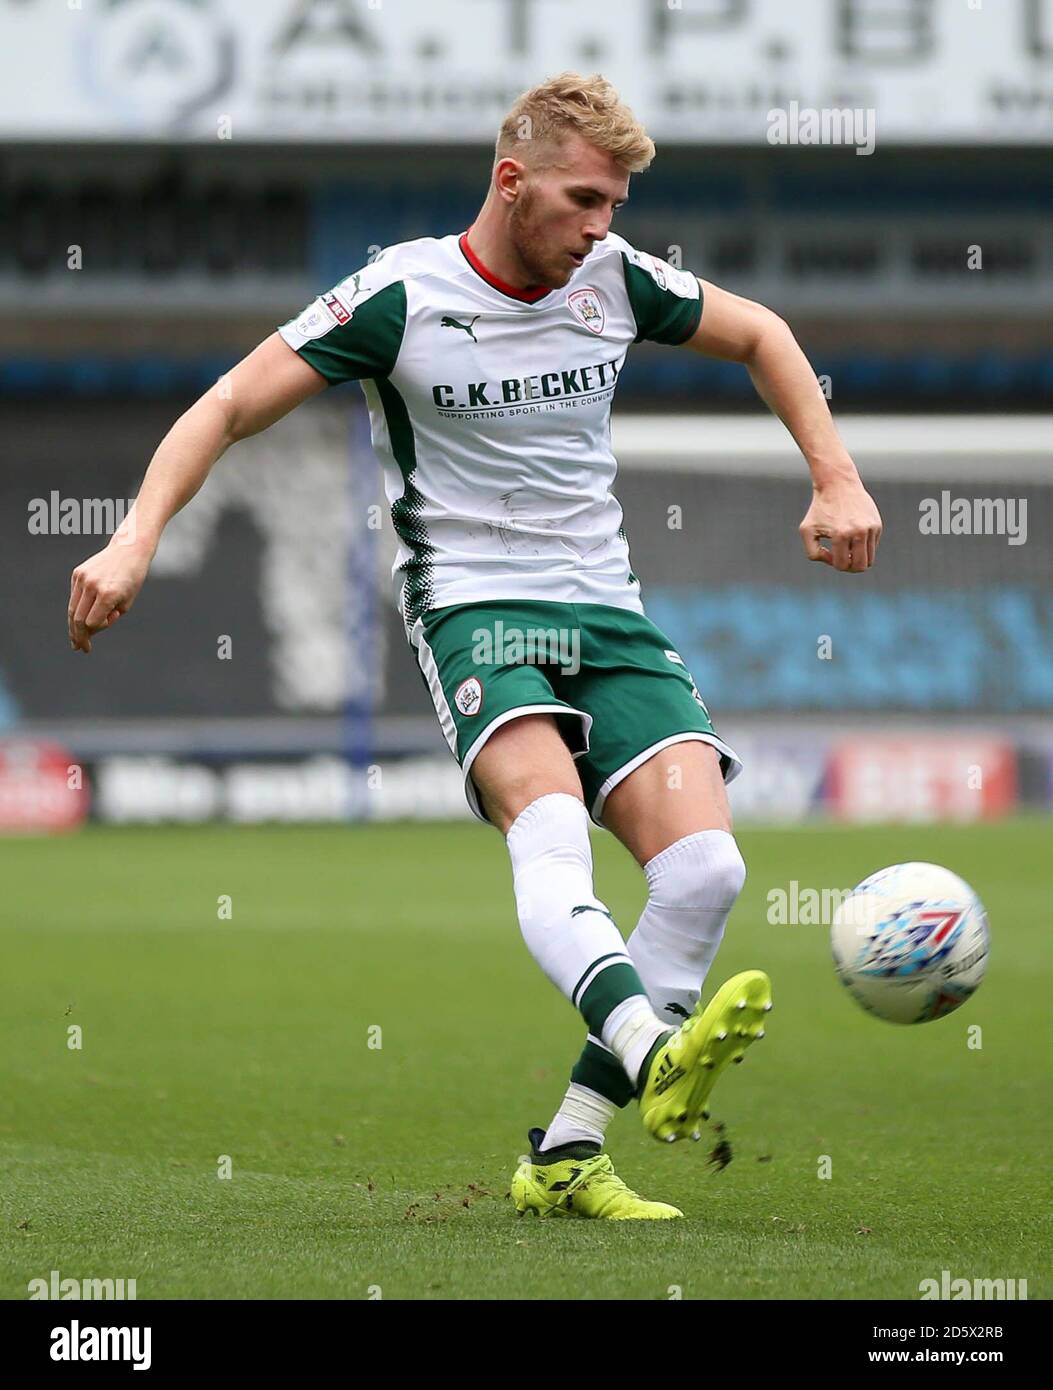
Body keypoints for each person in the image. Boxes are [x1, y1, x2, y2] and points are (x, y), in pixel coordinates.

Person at [68, 72, 882, 1220]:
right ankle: (655, 1049)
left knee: (709, 871)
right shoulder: (400, 295)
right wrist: (135, 540)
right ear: (512, 181)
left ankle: (565, 1155)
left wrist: (836, 475)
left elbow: (763, 331)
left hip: (607, 608)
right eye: (586, 200)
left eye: (616, 206)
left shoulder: (613, 279)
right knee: (550, 825)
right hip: (474, 606)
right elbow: (227, 405)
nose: (603, 228)